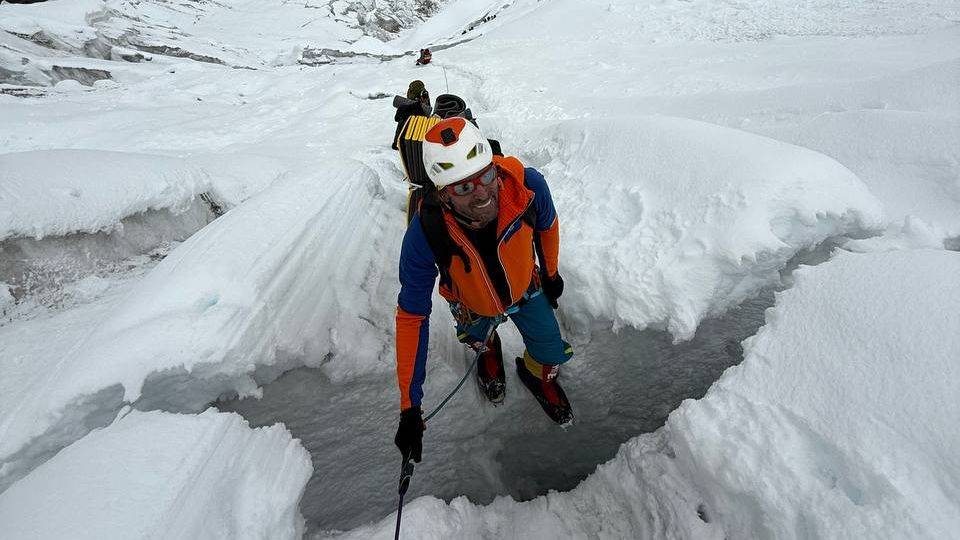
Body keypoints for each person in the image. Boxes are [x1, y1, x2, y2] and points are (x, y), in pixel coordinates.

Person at [393, 117, 573, 464]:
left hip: (526, 289)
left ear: (493, 165)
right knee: (478, 336)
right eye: (462, 188)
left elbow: (548, 226)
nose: (481, 194)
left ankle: (537, 373)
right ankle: (488, 350)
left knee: (550, 349)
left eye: (486, 177)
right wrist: (409, 407)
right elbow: (412, 316)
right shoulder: (424, 233)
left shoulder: (527, 186)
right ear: (441, 193)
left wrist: (550, 274)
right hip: (471, 302)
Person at [391, 80, 432, 150]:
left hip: (409, 140)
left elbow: (397, 118)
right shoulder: (410, 107)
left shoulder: (406, 107)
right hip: (415, 141)